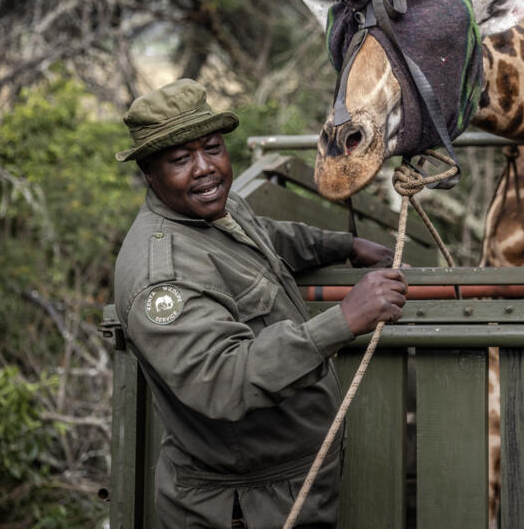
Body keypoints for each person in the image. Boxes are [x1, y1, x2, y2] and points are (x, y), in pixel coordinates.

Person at [112, 79, 407, 529]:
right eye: (180, 160)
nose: (205, 169)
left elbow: (265, 238)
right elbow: (221, 379)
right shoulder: (162, 276)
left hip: (290, 482)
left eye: (212, 148)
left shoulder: (218, 211)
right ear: (150, 174)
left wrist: (342, 245)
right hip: (242, 505)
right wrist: (344, 320)